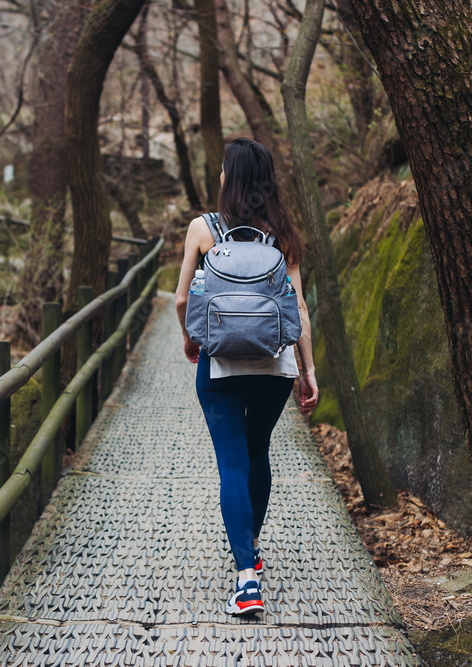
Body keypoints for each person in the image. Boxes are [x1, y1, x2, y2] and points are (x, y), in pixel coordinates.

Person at [175, 137, 319, 616]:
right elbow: (298, 307)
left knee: (232, 464)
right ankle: (252, 544)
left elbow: (180, 300)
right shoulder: (283, 232)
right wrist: (309, 370)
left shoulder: (203, 228)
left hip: (218, 365)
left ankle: (246, 579)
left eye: (221, 169)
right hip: (275, 366)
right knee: (258, 452)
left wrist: (189, 339)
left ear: (229, 178)